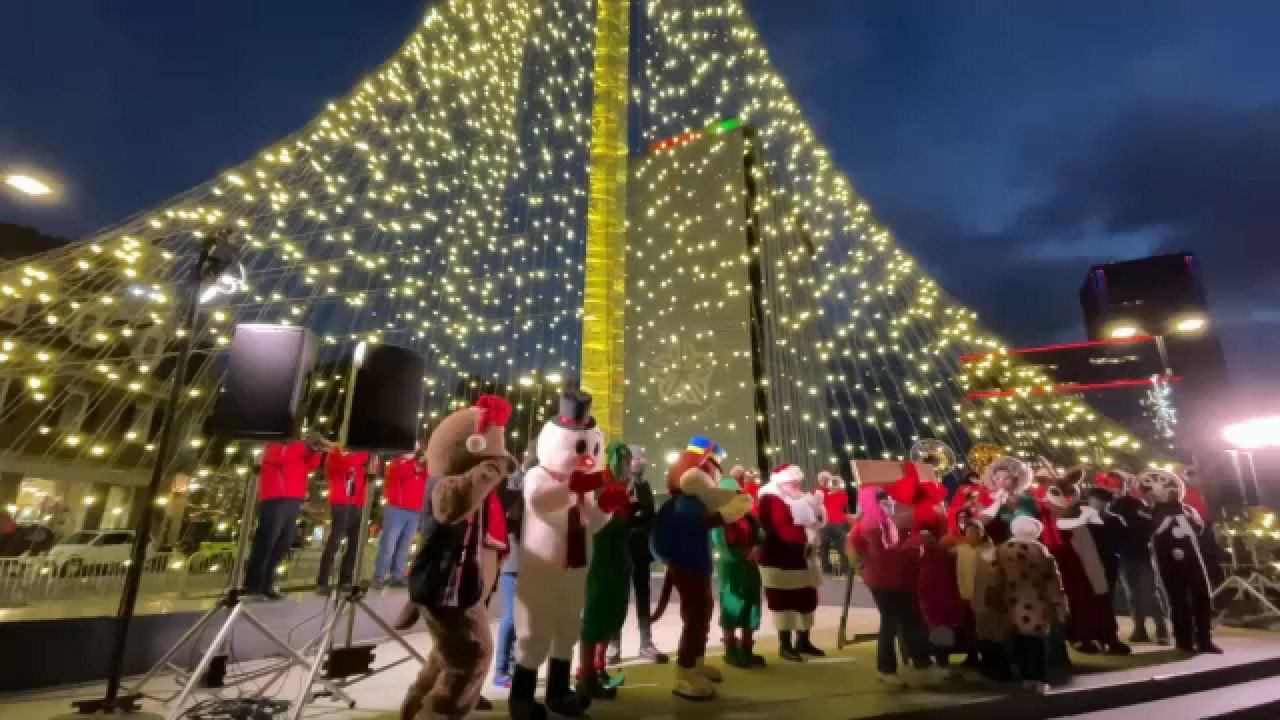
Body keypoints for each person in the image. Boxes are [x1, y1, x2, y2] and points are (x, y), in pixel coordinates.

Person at [852, 485, 935, 686]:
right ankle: (887, 668)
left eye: (889, 499)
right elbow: (882, 556)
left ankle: (920, 662)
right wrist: (914, 547)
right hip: (883, 579)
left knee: (909, 618)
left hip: (894, 577)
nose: (889, 502)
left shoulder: (882, 521)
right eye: (883, 500)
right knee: (890, 622)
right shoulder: (872, 525)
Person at [577, 442, 635, 699]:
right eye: (621, 459)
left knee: (613, 612)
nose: (625, 464)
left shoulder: (627, 484)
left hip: (619, 555)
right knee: (595, 613)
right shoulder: (596, 483)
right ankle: (586, 674)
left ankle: (599, 668)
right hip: (599, 556)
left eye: (627, 459)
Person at [243, 432, 328, 599]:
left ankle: (268, 583)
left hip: (294, 497)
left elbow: (309, 466)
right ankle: (253, 585)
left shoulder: (297, 448)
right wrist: (304, 446)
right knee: (267, 541)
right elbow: (281, 459)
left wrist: (315, 452)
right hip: (275, 496)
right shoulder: (274, 443)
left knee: (284, 543)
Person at [758, 464, 826, 662]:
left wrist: (818, 509)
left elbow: (817, 521)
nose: (797, 485)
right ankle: (785, 644)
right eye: (792, 481)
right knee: (783, 601)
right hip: (781, 557)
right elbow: (771, 527)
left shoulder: (802, 497)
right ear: (782, 480)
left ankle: (803, 641)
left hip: (805, 557)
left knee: (806, 599)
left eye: (798, 481)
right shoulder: (770, 498)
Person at [608, 444, 668, 664]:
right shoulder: (613, 485)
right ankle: (613, 646)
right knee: (618, 597)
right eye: (635, 459)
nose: (639, 462)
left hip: (640, 546)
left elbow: (649, 516)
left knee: (643, 595)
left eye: (640, 459)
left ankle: (646, 642)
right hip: (620, 546)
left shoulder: (643, 486)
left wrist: (640, 516)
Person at [1107, 469, 1171, 645]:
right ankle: (1140, 628)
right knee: (1132, 594)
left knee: (1150, 592)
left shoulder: (1135, 504)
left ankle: (1161, 629)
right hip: (1124, 555)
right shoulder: (1110, 505)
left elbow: (1149, 525)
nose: (1115, 488)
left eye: (1118, 484)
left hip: (1141, 554)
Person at [712, 465, 766, 668]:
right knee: (733, 605)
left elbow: (760, 536)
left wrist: (757, 548)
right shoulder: (719, 519)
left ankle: (747, 648)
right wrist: (743, 555)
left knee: (751, 604)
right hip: (732, 567)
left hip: (749, 566)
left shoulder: (747, 516)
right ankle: (730, 650)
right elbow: (721, 545)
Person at [493, 450, 533, 690]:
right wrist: (516, 487)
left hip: (530, 557)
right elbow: (505, 514)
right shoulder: (508, 491)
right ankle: (501, 669)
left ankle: (513, 664)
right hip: (514, 558)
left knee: (524, 617)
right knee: (512, 615)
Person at [316, 444, 371, 592]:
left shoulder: (361, 456)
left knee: (355, 543)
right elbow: (347, 464)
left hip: (357, 501)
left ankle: (345, 580)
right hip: (340, 501)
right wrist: (361, 455)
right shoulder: (335, 454)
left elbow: (371, 468)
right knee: (335, 540)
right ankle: (322, 581)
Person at [372, 443, 428, 588]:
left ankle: (397, 575)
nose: (415, 450)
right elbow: (400, 473)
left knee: (404, 546)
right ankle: (378, 576)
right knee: (388, 545)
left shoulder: (420, 465)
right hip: (397, 509)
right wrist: (414, 462)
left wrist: (425, 461)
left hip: (414, 511)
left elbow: (427, 475)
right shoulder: (396, 463)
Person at [816, 471, 851, 576]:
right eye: (824, 479)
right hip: (829, 523)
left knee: (837, 545)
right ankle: (832, 568)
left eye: (828, 480)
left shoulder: (839, 493)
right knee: (828, 546)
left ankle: (842, 567)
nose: (827, 482)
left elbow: (843, 502)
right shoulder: (819, 491)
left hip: (834, 522)